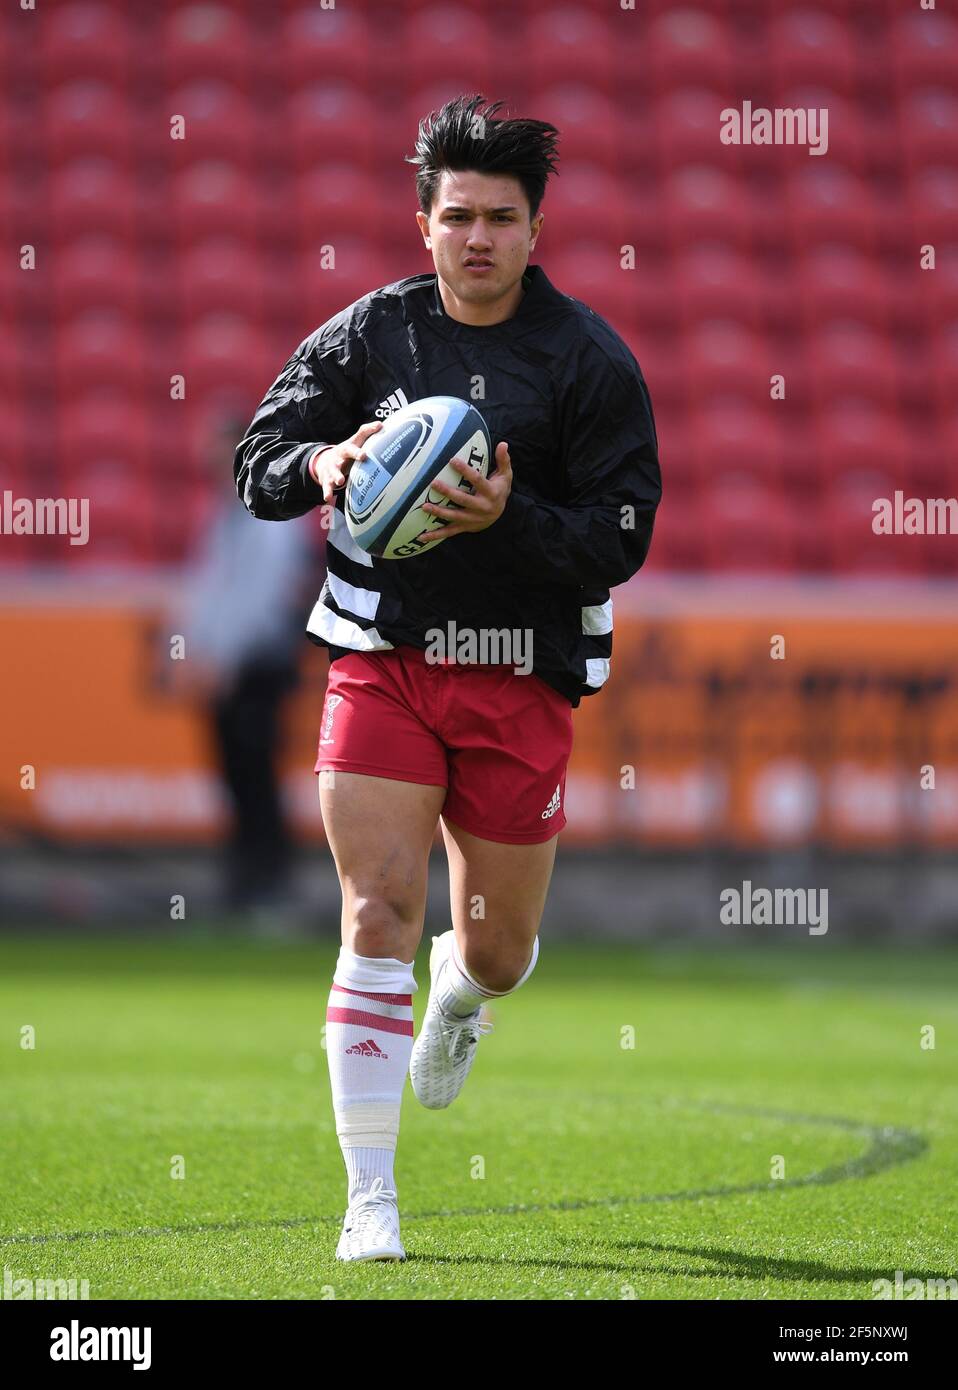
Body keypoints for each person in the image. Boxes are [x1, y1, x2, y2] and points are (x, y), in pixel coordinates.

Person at [234, 94, 662, 1260]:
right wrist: (326, 459)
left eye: (503, 219)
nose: (479, 237)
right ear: (423, 224)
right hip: (383, 659)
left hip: (520, 673)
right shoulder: (369, 335)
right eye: (458, 215)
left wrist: (504, 517)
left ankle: (460, 996)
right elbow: (257, 461)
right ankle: (369, 1197)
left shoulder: (587, 362)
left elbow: (620, 535)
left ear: (535, 231)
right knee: (374, 906)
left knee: (497, 950)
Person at [173, 411, 315, 920]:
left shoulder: (271, 516)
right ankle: (246, 888)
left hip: (257, 669)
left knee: (256, 779)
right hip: (229, 670)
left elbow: (262, 600)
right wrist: (193, 651)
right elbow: (209, 593)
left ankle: (270, 891)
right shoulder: (224, 517)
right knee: (237, 779)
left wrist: (221, 659)